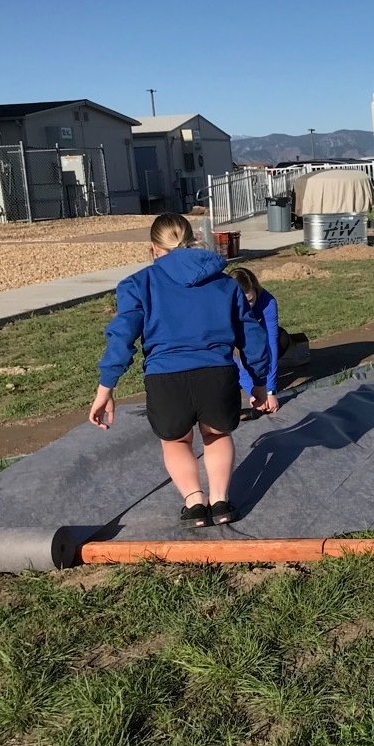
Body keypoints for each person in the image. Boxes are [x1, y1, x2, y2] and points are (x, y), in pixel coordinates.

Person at [88, 213, 271, 528]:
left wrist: (106, 388)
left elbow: (121, 338)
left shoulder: (137, 284)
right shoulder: (225, 283)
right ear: (192, 240)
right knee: (216, 434)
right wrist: (258, 383)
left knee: (176, 442)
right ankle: (221, 501)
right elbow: (251, 335)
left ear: (154, 248)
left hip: (165, 378)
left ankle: (195, 503)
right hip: (217, 375)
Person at [230, 266, 288, 415]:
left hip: (257, 342)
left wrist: (269, 391)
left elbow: (271, 345)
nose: (247, 307)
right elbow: (232, 353)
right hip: (231, 348)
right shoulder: (225, 307)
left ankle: (260, 376)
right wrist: (252, 390)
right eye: (242, 303)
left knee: (282, 340)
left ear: (256, 290)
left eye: (250, 300)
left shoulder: (268, 302)